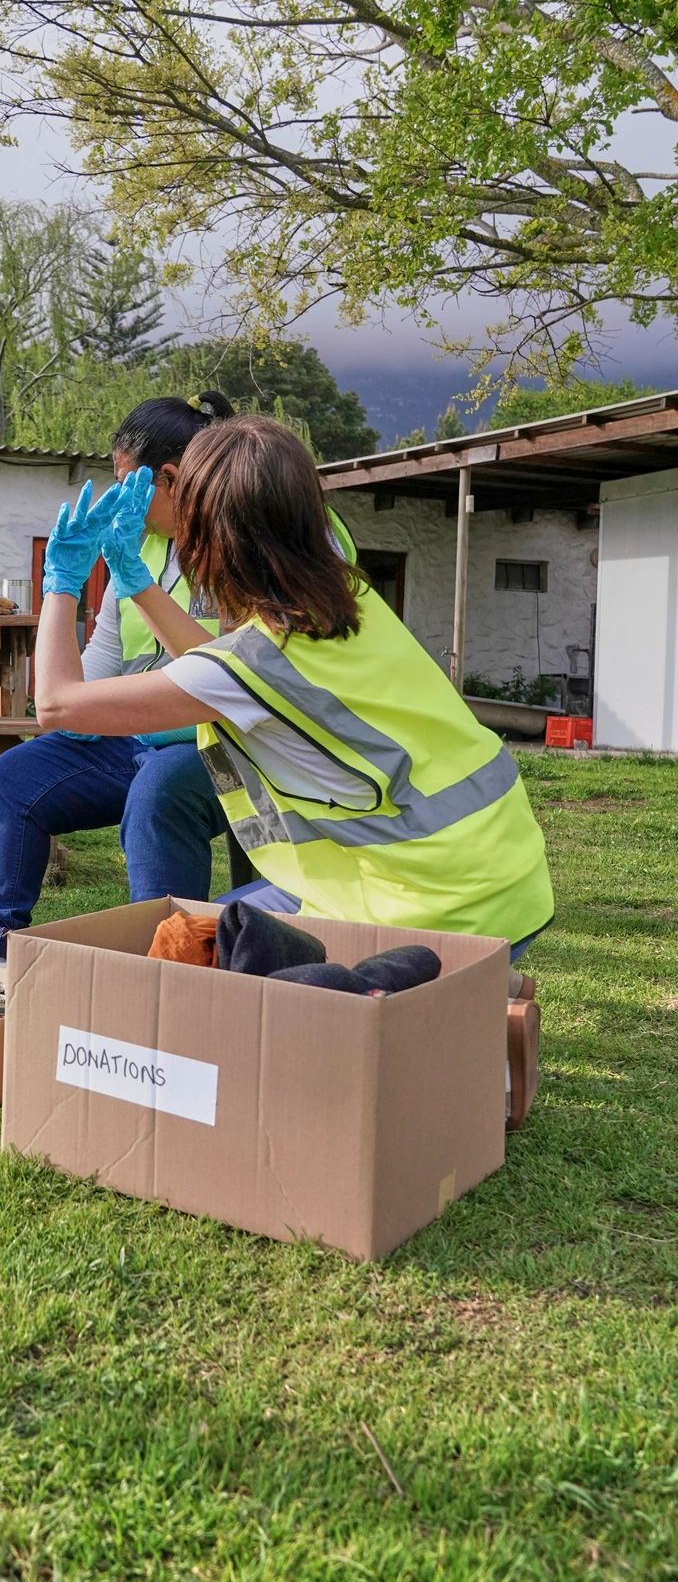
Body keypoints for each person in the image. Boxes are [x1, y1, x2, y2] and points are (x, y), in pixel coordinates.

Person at [32, 418, 553, 1120]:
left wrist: (64, 581)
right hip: (499, 876)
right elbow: (213, 663)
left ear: (215, 538)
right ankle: (477, 999)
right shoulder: (345, 598)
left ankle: (462, 1018)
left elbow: (57, 704)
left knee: (248, 1008)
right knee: (237, 930)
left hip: (434, 904)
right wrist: (133, 578)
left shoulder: (252, 662)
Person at [0, 395, 234, 967]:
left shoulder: (243, 543)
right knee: (15, 775)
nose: (116, 499)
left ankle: (166, 970)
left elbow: (237, 684)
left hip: (224, 743)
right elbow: (73, 690)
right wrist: (67, 579)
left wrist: (135, 721)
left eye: (129, 483)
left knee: (160, 790)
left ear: (174, 478)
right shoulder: (143, 547)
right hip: (136, 734)